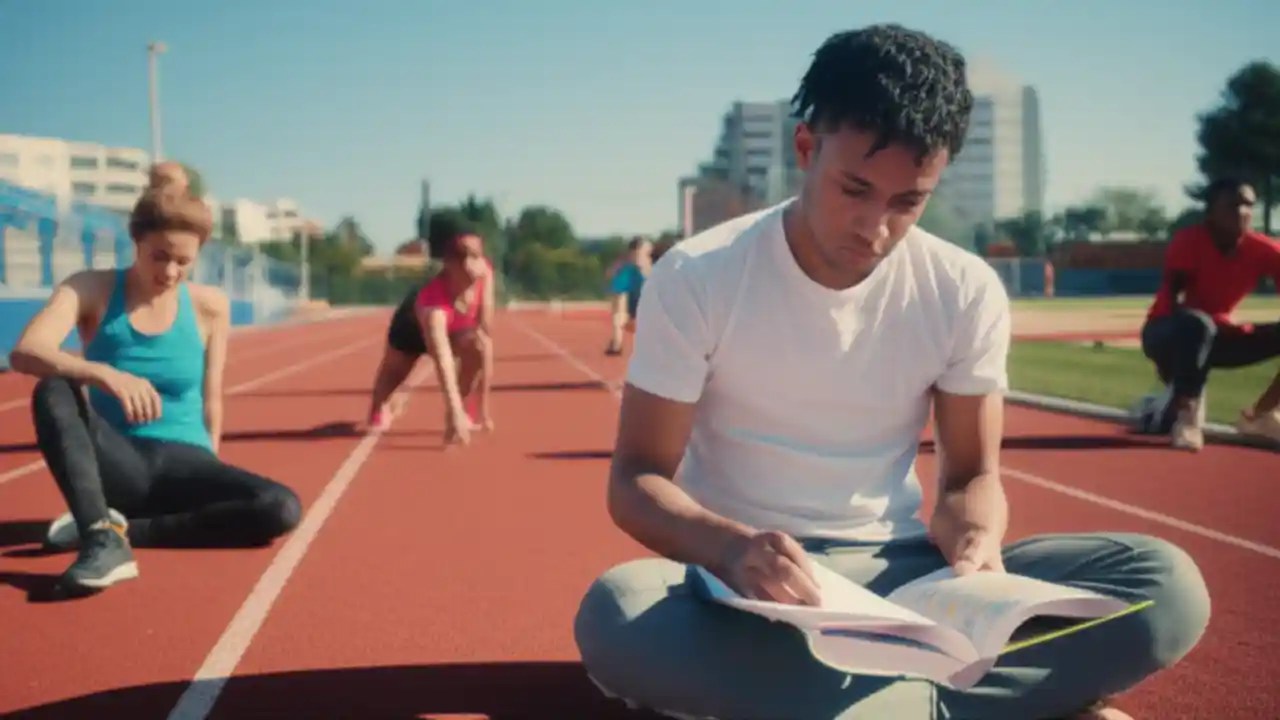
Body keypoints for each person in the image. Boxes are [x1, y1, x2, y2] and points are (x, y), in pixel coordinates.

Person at [573, 24, 1210, 720]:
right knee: (618, 613)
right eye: (856, 189)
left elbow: (971, 478)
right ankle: (970, 699)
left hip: (905, 575)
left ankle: (874, 700)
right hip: (744, 588)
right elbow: (635, 481)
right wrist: (731, 548)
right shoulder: (698, 274)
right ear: (807, 149)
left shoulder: (962, 288)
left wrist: (975, 539)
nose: (876, 227)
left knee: (1165, 588)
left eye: (908, 202)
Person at [9, 188, 302, 593]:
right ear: (137, 242)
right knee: (54, 388)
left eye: (184, 262)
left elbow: (210, 396)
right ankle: (100, 536)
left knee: (280, 507)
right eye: (159, 256)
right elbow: (26, 351)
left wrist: (209, 470)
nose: (169, 272)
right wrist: (101, 373)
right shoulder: (91, 288)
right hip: (120, 462)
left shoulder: (211, 306)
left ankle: (128, 531)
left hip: (188, 462)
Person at [1139, 178, 1280, 450]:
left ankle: (1261, 415)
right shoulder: (1188, 241)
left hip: (1218, 336)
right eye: (1231, 205)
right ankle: (1187, 417)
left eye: (1248, 205)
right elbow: (1176, 303)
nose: (1242, 212)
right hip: (1167, 333)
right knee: (1198, 324)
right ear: (1211, 212)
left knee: (1205, 326)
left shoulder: (1264, 250)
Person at [364, 213, 494, 446]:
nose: (472, 265)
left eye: (476, 256)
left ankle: (460, 407)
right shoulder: (434, 303)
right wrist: (453, 411)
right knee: (393, 373)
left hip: (454, 330)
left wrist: (483, 410)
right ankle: (381, 404)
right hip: (411, 328)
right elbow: (442, 359)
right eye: (462, 257)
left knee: (477, 345)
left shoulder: (485, 275)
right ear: (449, 263)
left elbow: (486, 339)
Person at [604, 236, 652, 355]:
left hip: (646, 300)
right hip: (634, 299)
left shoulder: (656, 268)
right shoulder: (628, 270)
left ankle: (617, 343)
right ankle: (617, 343)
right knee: (620, 308)